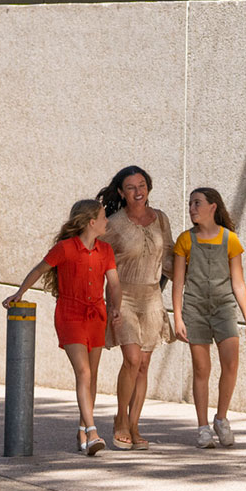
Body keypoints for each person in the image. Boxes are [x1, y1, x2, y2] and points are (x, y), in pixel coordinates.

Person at [3, 198, 123, 455]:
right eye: (103, 217)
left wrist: (115, 307)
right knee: (84, 372)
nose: (106, 222)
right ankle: (92, 432)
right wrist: (19, 293)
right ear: (91, 222)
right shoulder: (65, 248)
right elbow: (38, 270)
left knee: (92, 374)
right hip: (70, 315)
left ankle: (82, 430)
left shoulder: (106, 250)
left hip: (96, 315)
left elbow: (113, 283)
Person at [170, 187, 246, 449]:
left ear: (212, 207)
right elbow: (178, 283)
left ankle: (221, 418)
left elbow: (238, 283)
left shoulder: (230, 240)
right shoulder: (185, 240)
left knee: (230, 364)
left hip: (223, 308)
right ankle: (202, 427)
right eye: (190, 204)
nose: (192, 208)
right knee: (201, 369)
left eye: (197, 203)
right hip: (194, 308)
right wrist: (178, 317)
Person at [98, 165, 173, 450]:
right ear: (121, 192)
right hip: (123, 296)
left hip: (152, 297)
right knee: (131, 359)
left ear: (148, 188)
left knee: (143, 364)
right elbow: (98, 258)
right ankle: (120, 418)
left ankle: (135, 424)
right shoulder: (114, 223)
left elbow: (168, 257)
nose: (138, 191)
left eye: (142, 185)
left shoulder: (161, 219)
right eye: (131, 187)